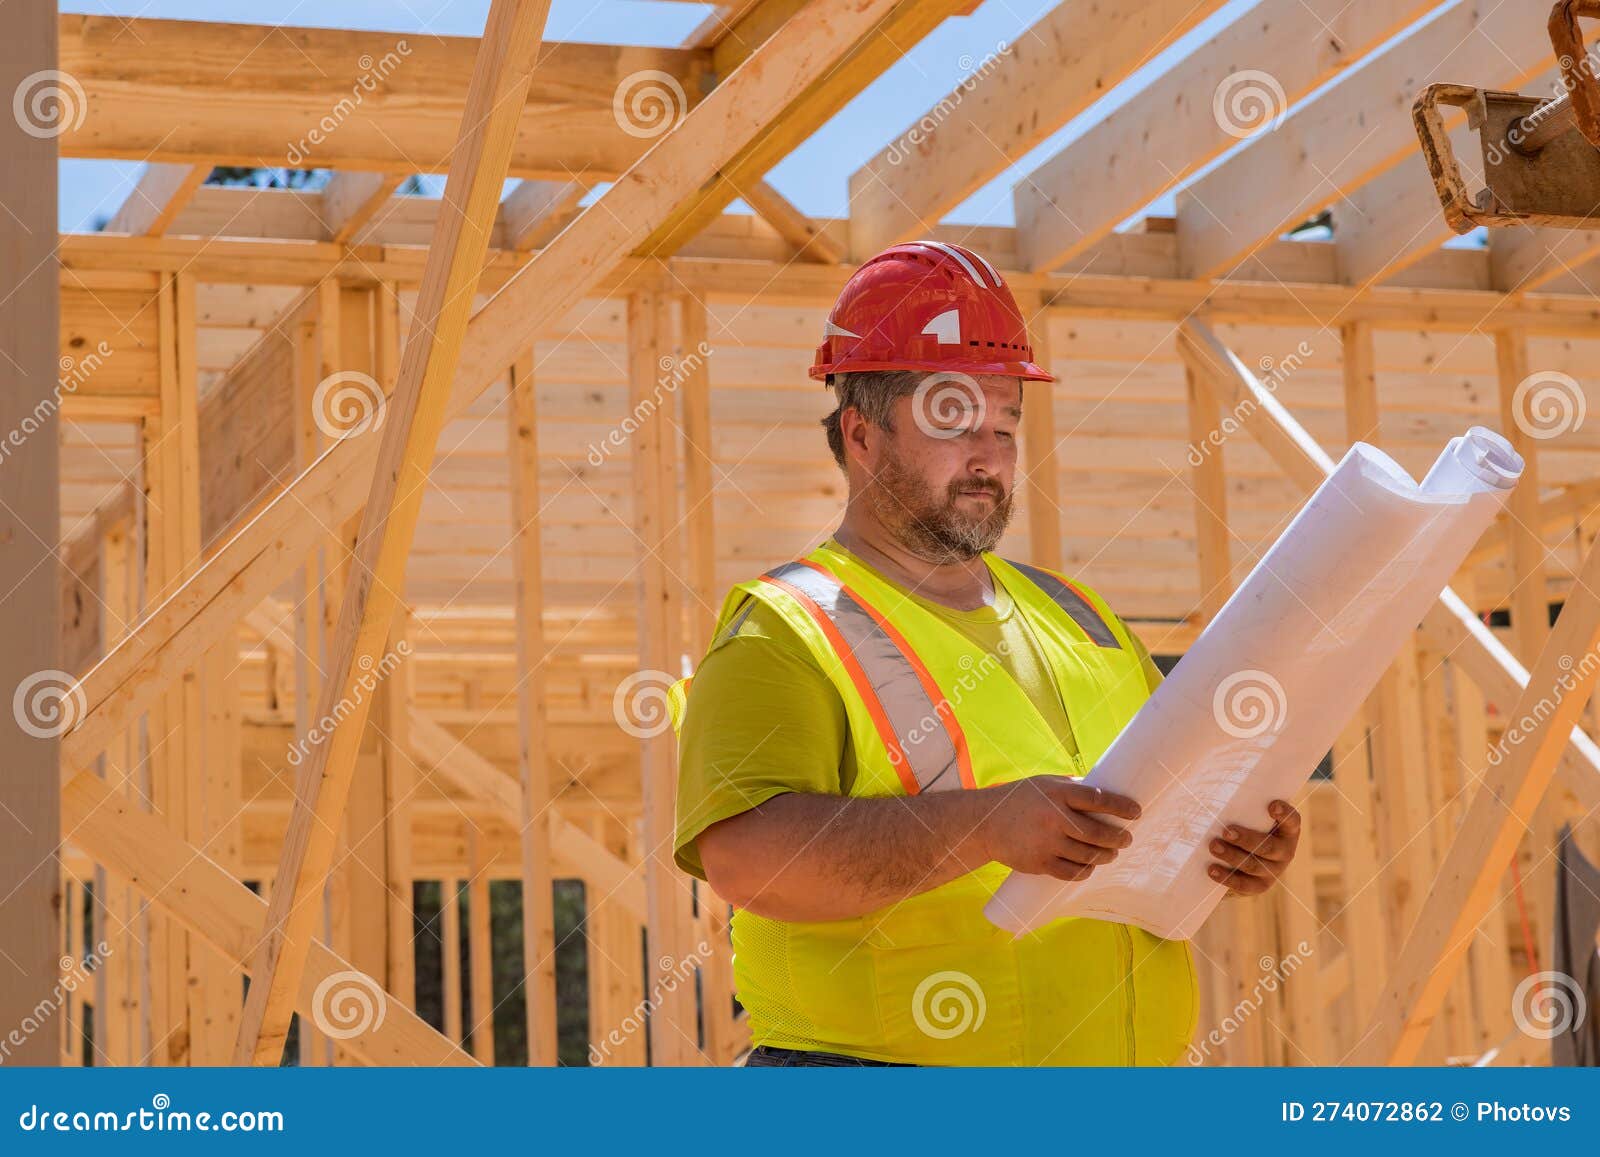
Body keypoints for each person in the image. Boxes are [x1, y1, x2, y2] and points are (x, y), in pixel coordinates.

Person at [669, 241, 1301, 1066]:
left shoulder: (1081, 616)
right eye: (954, 423)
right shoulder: (788, 626)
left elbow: (1170, 793)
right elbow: (746, 860)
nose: (989, 457)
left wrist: (1233, 835)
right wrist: (985, 828)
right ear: (862, 435)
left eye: (1004, 425)